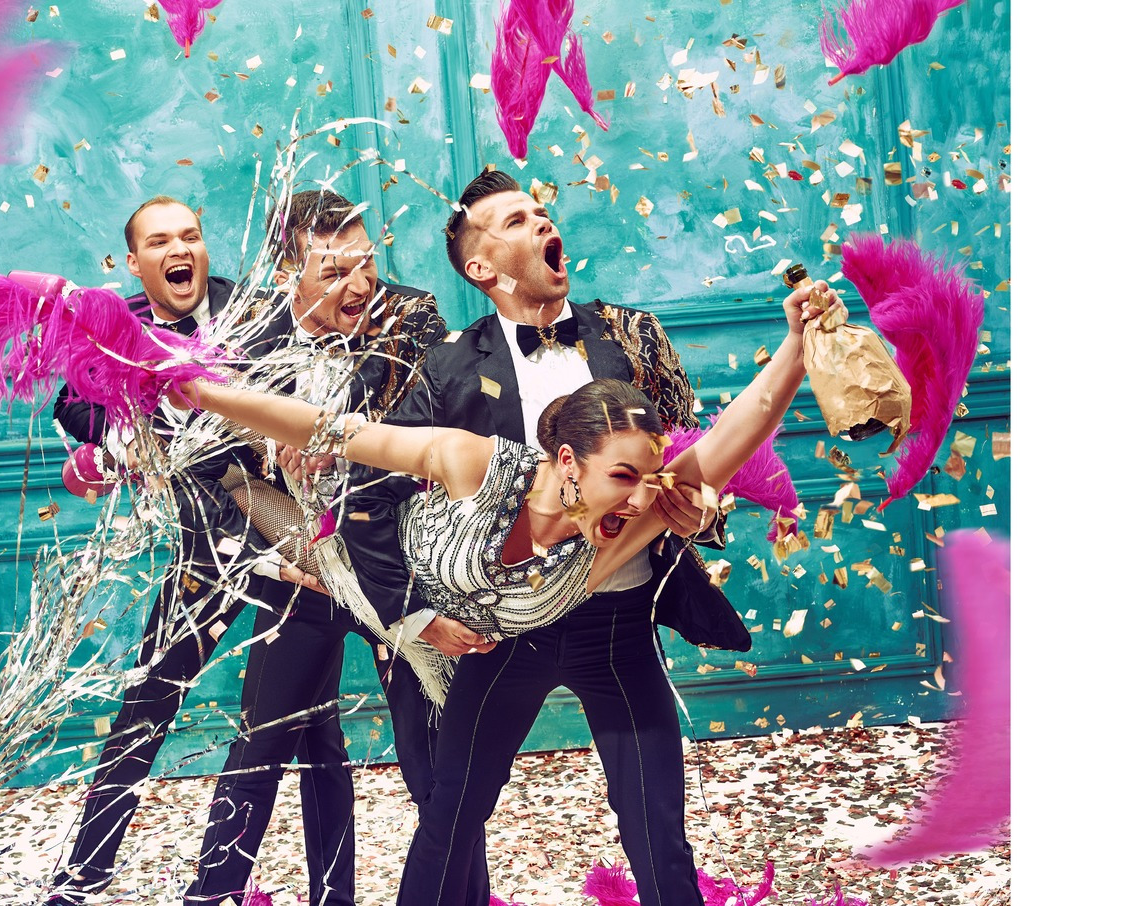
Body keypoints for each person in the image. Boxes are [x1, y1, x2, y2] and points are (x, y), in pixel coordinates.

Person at [332, 168, 842, 906]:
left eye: (542, 212)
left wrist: (705, 516)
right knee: (451, 818)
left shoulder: (634, 336)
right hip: (506, 636)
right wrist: (413, 614)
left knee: (657, 829)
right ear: (480, 267)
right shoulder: (446, 368)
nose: (541, 223)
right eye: (515, 220)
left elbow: (696, 456)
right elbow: (367, 500)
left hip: (621, 628)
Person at [45, 196, 353, 906]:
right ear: (135, 262)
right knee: (145, 707)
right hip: (205, 550)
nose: (178, 248)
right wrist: (131, 424)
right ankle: (80, 878)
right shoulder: (115, 329)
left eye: (190, 235)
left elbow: (303, 402)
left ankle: (332, 893)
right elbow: (73, 402)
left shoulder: (260, 310)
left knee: (313, 725)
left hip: (290, 541)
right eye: (160, 241)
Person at [176, 189, 455, 905]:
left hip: (395, 569)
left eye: (366, 263)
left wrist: (328, 437)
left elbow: (416, 417)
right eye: (334, 273)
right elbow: (206, 466)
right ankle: (213, 897)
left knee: (434, 759)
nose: (360, 285)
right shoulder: (244, 338)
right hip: (295, 570)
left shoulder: (409, 313)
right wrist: (276, 555)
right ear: (285, 273)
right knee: (263, 745)